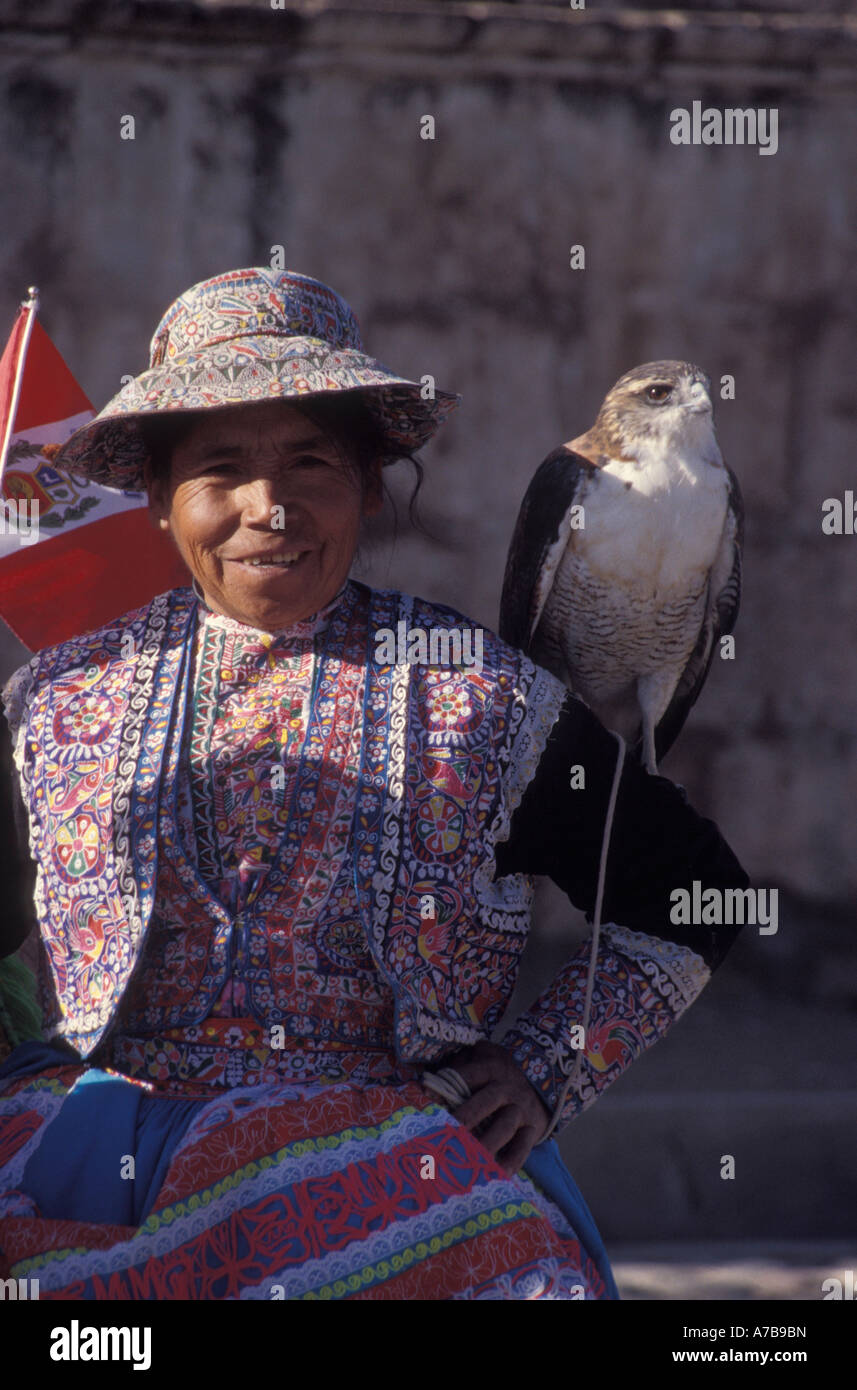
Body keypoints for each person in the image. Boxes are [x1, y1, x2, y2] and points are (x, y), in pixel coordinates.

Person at [0, 267, 749, 1301]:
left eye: (310, 461)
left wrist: (544, 1064)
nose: (270, 507)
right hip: (107, 1167)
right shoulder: (55, 703)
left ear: (366, 484)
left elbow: (694, 894)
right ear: (161, 504)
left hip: (395, 1170)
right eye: (220, 471)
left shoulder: (480, 699)